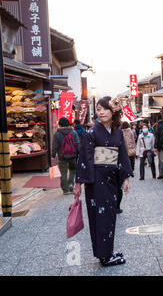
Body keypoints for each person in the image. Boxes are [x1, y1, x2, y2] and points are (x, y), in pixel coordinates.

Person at [73, 96, 133, 267]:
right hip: (96, 179)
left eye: (104, 109)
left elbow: (122, 154)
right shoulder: (92, 132)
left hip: (111, 179)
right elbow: (84, 157)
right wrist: (79, 183)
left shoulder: (117, 131)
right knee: (100, 216)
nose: (101, 112)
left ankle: (106, 252)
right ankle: (104, 256)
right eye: (98, 109)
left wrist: (126, 178)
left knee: (110, 215)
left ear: (113, 111)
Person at [52, 117, 80, 195]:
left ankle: (65, 189)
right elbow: (77, 143)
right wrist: (79, 153)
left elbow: (55, 146)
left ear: (59, 124)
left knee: (63, 172)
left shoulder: (57, 134)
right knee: (73, 170)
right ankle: (71, 183)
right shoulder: (73, 132)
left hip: (62, 156)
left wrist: (53, 155)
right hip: (73, 155)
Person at [119, 121, 137, 214]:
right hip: (130, 148)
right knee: (130, 160)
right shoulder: (130, 132)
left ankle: (128, 170)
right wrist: (134, 147)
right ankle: (130, 170)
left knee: (126, 161)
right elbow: (133, 140)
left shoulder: (120, 132)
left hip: (124, 150)